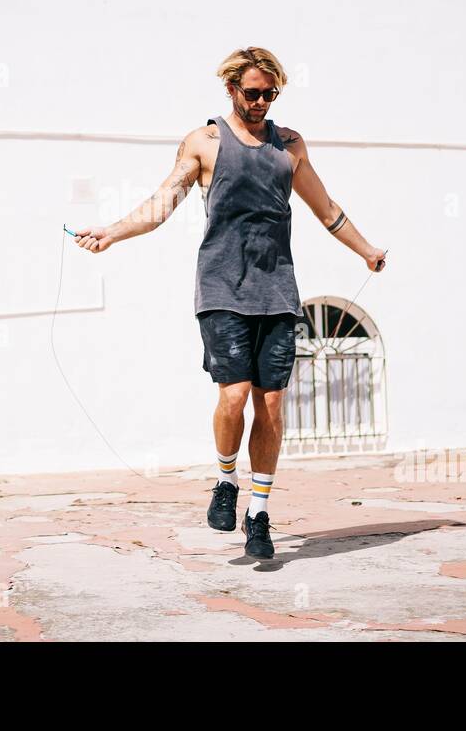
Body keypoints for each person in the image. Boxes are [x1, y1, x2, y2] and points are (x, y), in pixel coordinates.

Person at [73, 47, 388, 560]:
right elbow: (161, 205)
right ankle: (225, 480)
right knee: (235, 395)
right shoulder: (206, 142)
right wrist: (112, 232)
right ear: (231, 89)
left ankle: (259, 512)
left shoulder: (290, 146)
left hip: (278, 291)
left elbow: (326, 209)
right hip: (221, 288)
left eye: (271, 93)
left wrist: (367, 249)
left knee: (272, 403)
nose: (262, 101)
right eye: (253, 92)